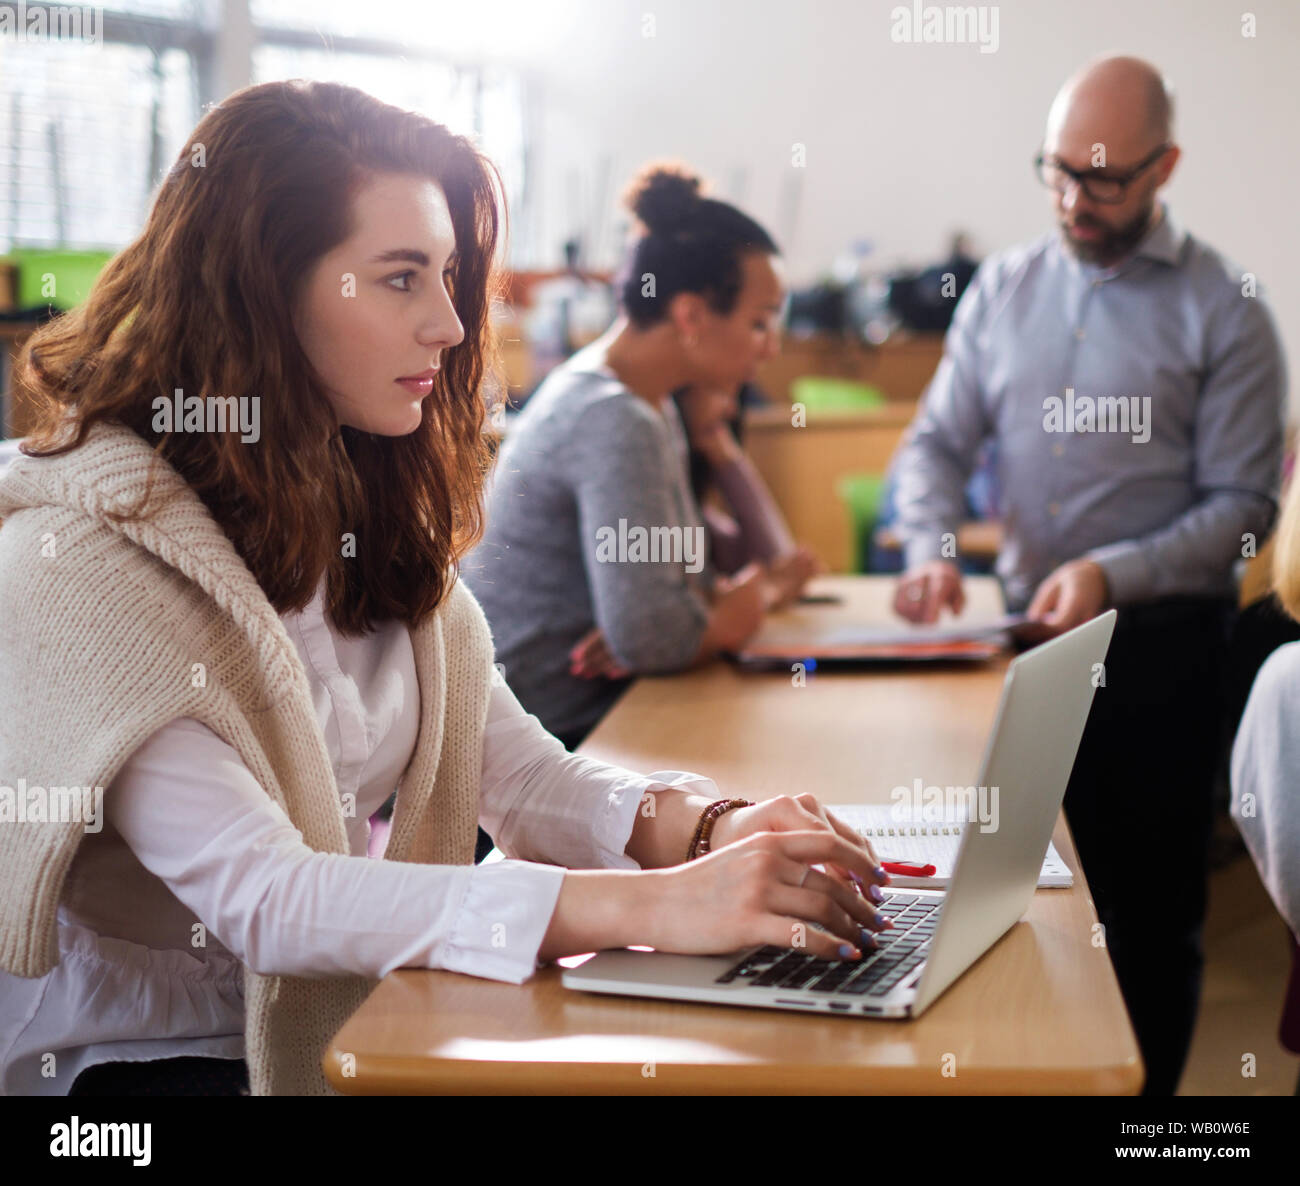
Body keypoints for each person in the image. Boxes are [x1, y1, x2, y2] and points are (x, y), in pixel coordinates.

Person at [0, 83, 891, 1097]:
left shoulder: (357, 495)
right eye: (400, 280)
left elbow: (523, 781)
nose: (453, 324)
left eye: (453, 278)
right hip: (139, 1065)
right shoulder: (83, 558)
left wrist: (710, 827)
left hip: (347, 1020)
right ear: (264, 289)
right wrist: (659, 906)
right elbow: (263, 897)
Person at [889, 56, 1286, 1094]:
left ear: (1166, 167)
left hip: (1159, 656)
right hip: (1026, 645)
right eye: (1057, 171)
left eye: (1102, 179)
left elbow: (1246, 515)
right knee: (1010, 908)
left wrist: (1110, 573)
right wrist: (930, 541)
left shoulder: (1227, 311)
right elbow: (931, 447)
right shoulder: (1004, 289)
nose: (1073, 199)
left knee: (1148, 923)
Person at [465, 165, 798, 748]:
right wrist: (729, 615)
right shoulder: (615, 417)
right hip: (551, 748)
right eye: (760, 322)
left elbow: (674, 598)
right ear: (691, 315)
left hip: (593, 725)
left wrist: (677, 617)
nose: (771, 347)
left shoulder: (644, 402)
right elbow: (657, 636)